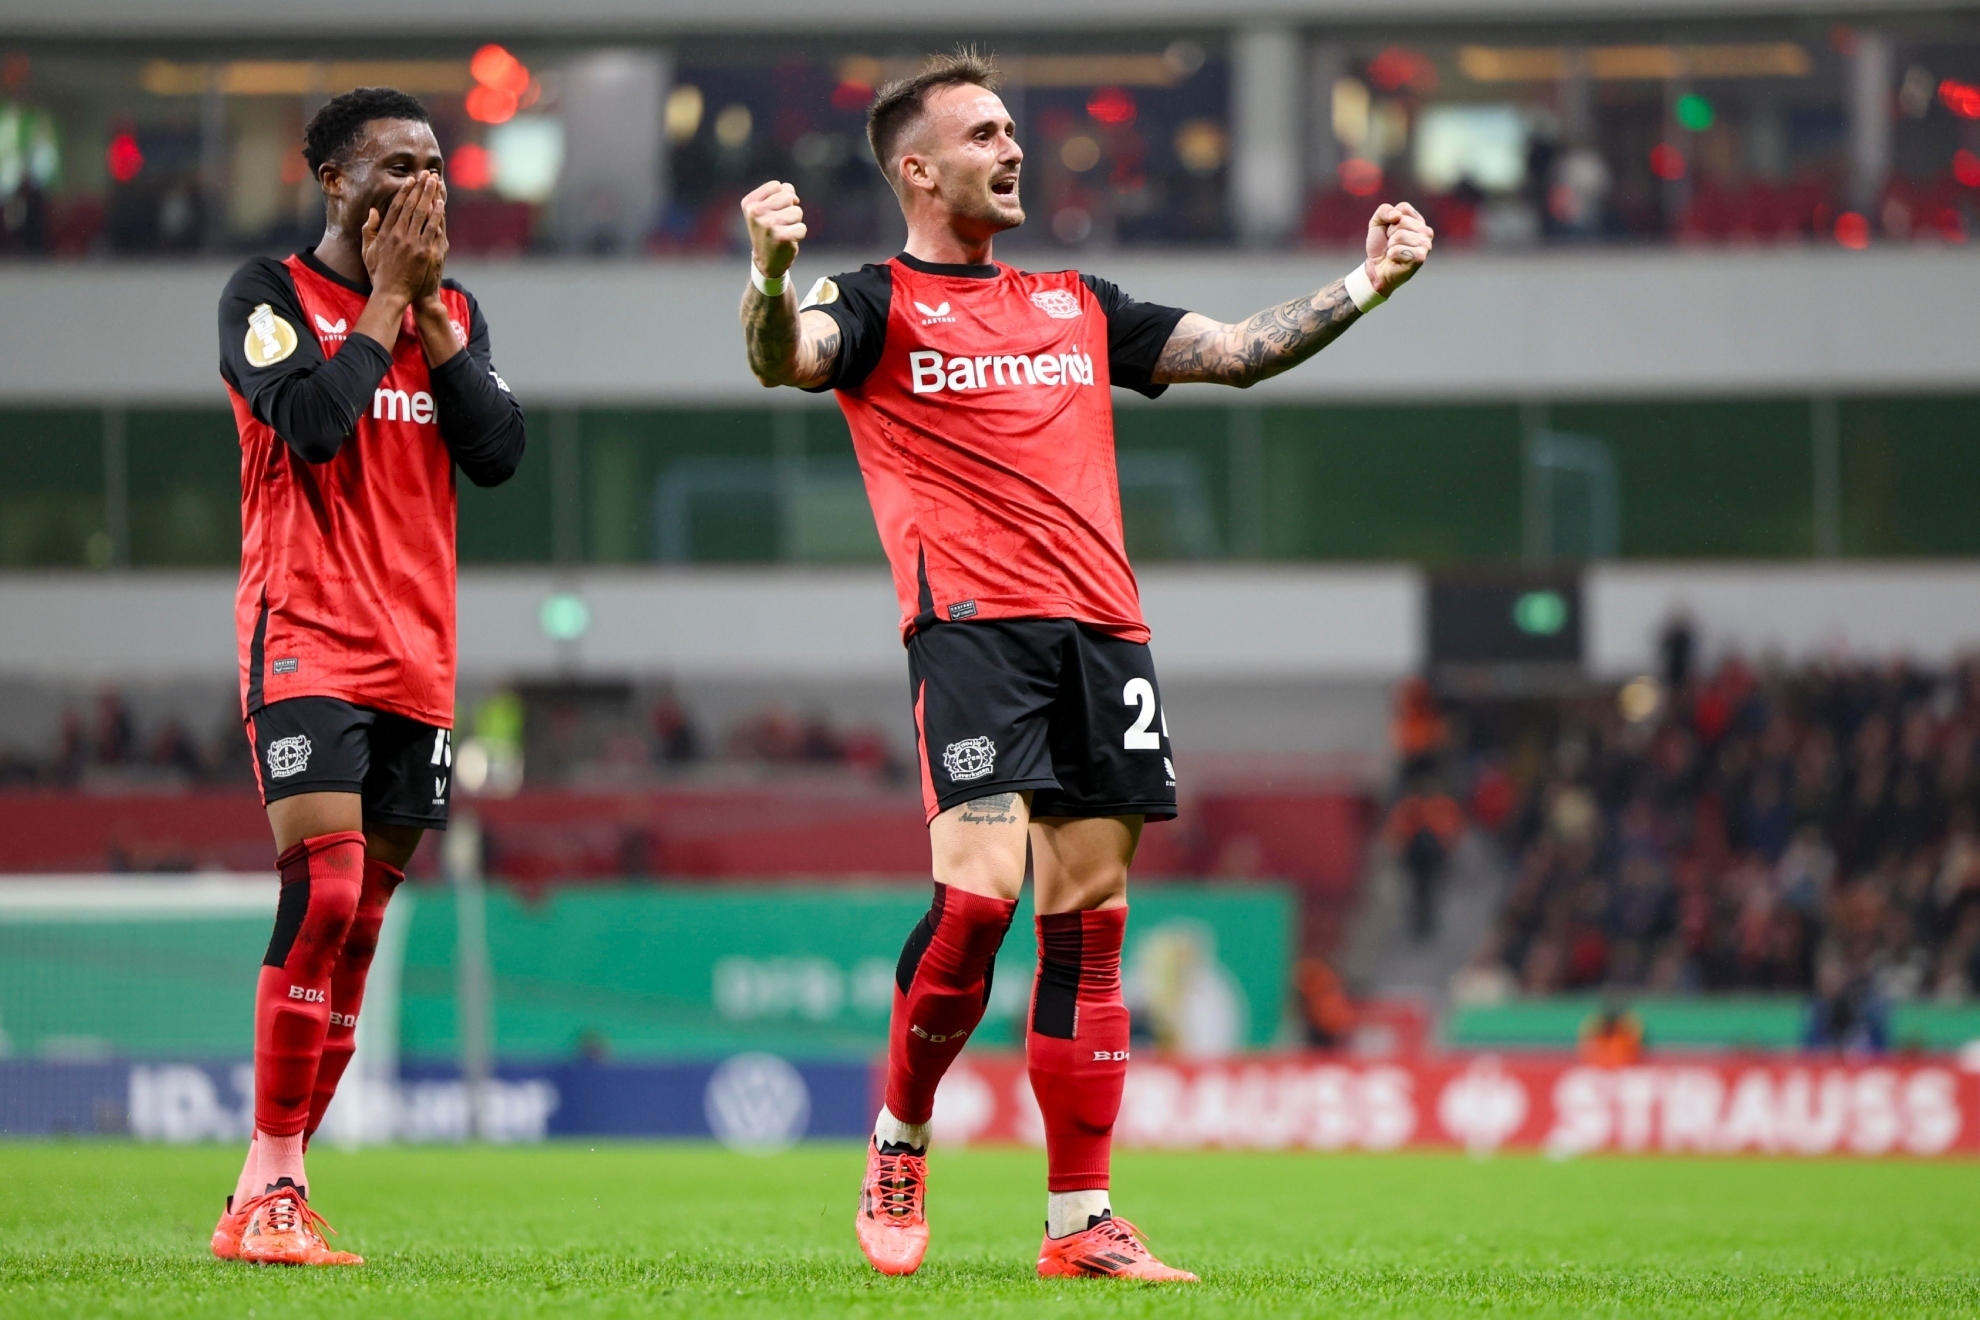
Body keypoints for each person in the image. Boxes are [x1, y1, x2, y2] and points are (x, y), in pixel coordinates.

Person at [737, 49, 1432, 1281]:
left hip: (1103, 634)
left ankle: (1080, 1223)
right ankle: (900, 1139)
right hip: (971, 630)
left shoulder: (1075, 302)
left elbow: (1236, 352)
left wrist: (1367, 284)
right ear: (917, 165)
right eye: (985, 132)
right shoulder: (876, 300)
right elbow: (785, 358)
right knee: (976, 897)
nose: (1013, 149)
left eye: (1012, 129)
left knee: (1089, 929)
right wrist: (769, 277)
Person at [210, 86, 525, 1266]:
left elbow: (497, 456)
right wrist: (389, 301)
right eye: (396, 167)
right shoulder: (267, 295)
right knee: (326, 894)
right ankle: (279, 1181)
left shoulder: (461, 313)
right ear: (334, 182)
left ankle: (266, 1184)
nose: (423, 187)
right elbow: (315, 425)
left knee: (367, 925)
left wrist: (431, 318)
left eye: (436, 165)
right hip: (305, 637)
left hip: (418, 657)